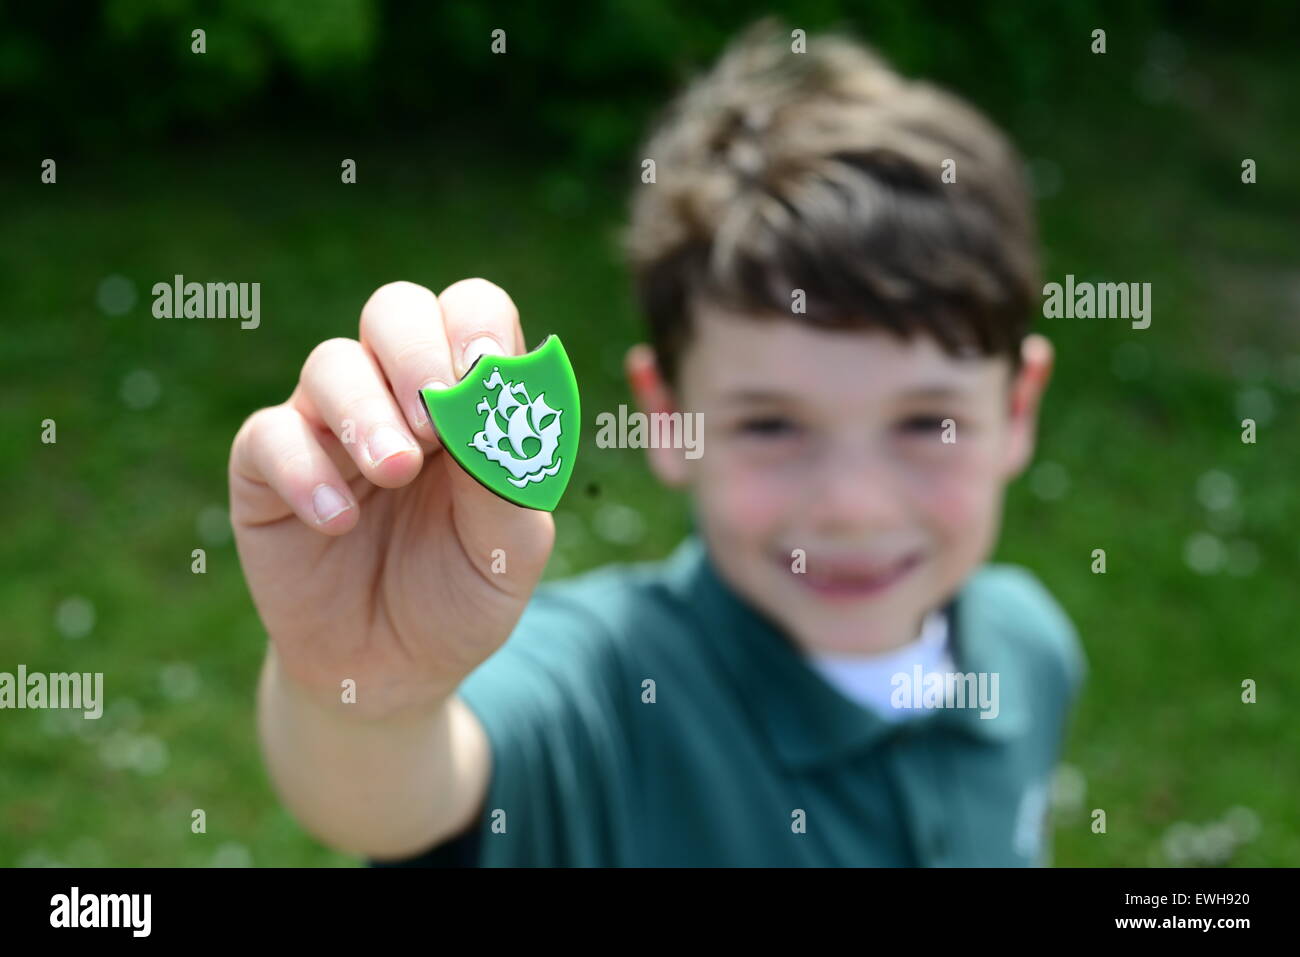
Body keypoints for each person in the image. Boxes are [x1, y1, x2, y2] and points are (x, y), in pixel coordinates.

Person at [231, 18, 1085, 867]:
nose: (855, 507)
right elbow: (400, 795)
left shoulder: (1028, 648)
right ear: (667, 419)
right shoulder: (603, 695)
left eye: (925, 423)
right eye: (771, 424)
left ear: (1017, 409)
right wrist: (365, 701)